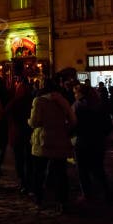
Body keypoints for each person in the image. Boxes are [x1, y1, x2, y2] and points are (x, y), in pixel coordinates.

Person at [29, 77, 76, 212]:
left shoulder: (39, 101)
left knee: (39, 170)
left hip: (43, 140)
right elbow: (73, 120)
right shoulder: (62, 100)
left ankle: (39, 197)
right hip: (60, 139)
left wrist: (28, 121)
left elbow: (34, 122)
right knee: (60, 172)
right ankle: (62, 200)